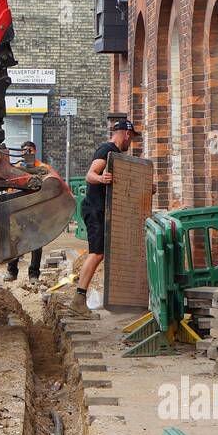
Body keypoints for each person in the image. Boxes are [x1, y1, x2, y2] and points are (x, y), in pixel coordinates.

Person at [71, 120, 135, 316]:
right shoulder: (106, 150)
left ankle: (117, 296)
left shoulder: (115, 155)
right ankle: (78, 301)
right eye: (131, 138)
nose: (130, 143)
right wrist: (101, 178)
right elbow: (90, 175)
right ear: (126, 134)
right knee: (97, 253)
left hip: (103, 211)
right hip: (95, 210)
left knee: (106, 253)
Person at [4, 140, 44, 282]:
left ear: (35, 151)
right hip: (18, 209)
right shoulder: (16, 168)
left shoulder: (42, 168)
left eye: (30, 151)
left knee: (36, 243)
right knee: (14, 241)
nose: (27, 153)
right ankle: (11, 271)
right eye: (24, 151)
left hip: (35, 211)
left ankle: (33, 274)